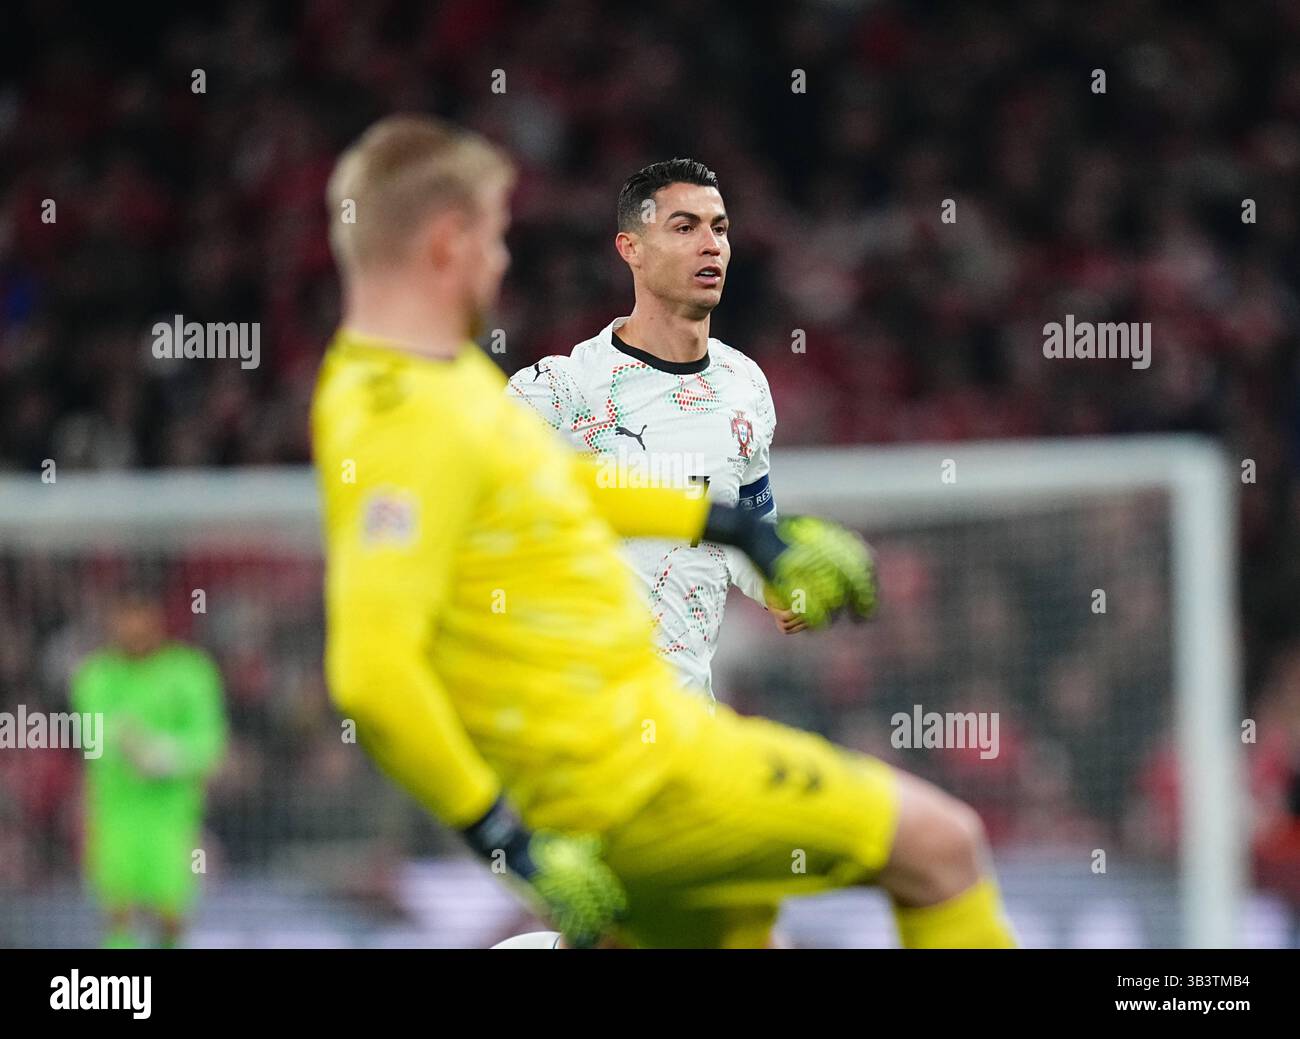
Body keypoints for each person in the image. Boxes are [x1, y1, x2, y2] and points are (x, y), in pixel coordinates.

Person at [312, 113, 1017, 948]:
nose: (502, 265)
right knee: (941, 844)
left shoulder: (446, 379)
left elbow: (557, 486)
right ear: (444, 244)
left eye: (720, 227)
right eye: (495, 239)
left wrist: (745, 534)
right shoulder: (419, 413)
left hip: (671, 727)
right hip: (630, 772)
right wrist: (505, 838)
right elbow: (369, 674)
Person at [508, 158, 804, 706]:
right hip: (580, 721)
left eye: (719, 228)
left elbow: (745, 526)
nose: (711, 244)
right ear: (631, 249)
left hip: (688, 721)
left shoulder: (745, 385)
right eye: (685, 227)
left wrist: (782, 585)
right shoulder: (560, 392)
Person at [72, 586, 228, 948]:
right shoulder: (97, 675)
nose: (132, 627)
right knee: (118, 913)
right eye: (124, 617)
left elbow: (210, 742)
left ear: (158, 620)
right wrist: (126, 745)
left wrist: (166, 755)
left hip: (172, 817)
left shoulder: (191, 672)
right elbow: (93, 735)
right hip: (114, 815)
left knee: (171, 915)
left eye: (140, 616)